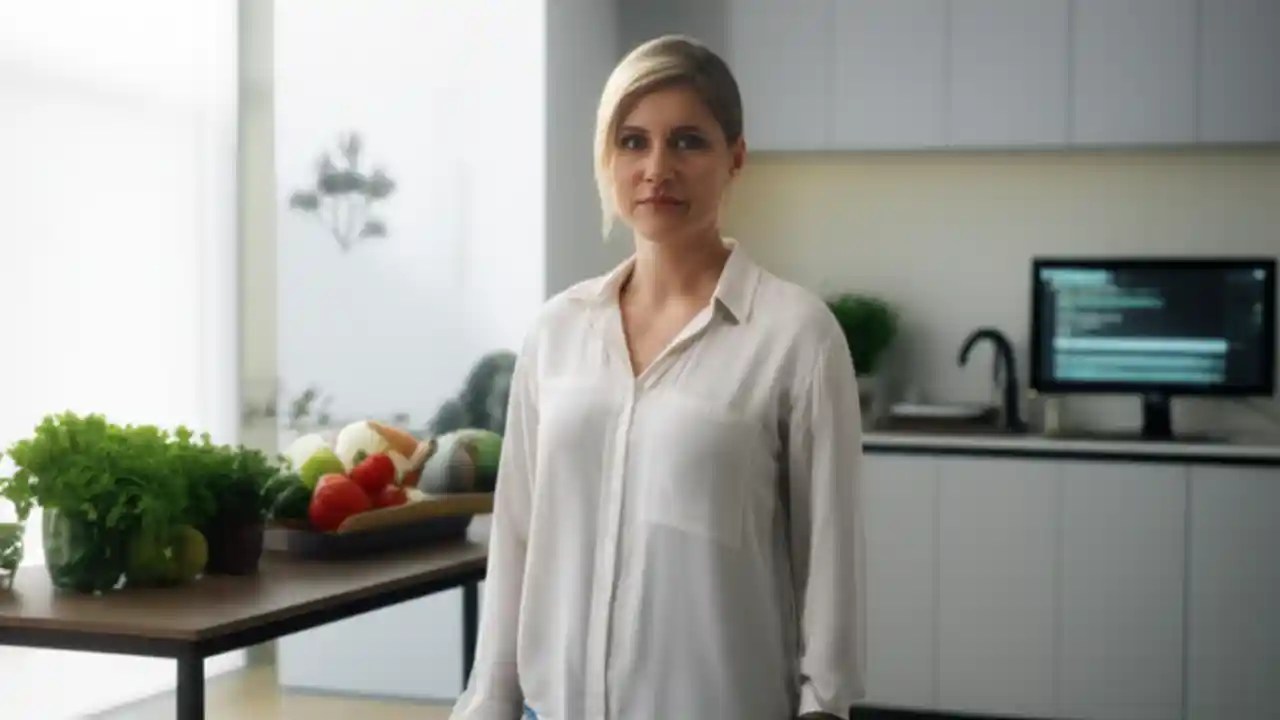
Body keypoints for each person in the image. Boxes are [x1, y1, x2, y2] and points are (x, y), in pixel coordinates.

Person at [451, 34, 865, 720]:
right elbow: (518, 536)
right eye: (633, 141)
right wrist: (488, 702)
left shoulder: (796, 336)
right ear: (608, 159)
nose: (656, 168)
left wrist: (822, 706)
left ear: (735, 157)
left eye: (688, 142)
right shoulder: (557, 332)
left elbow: (829, 557)